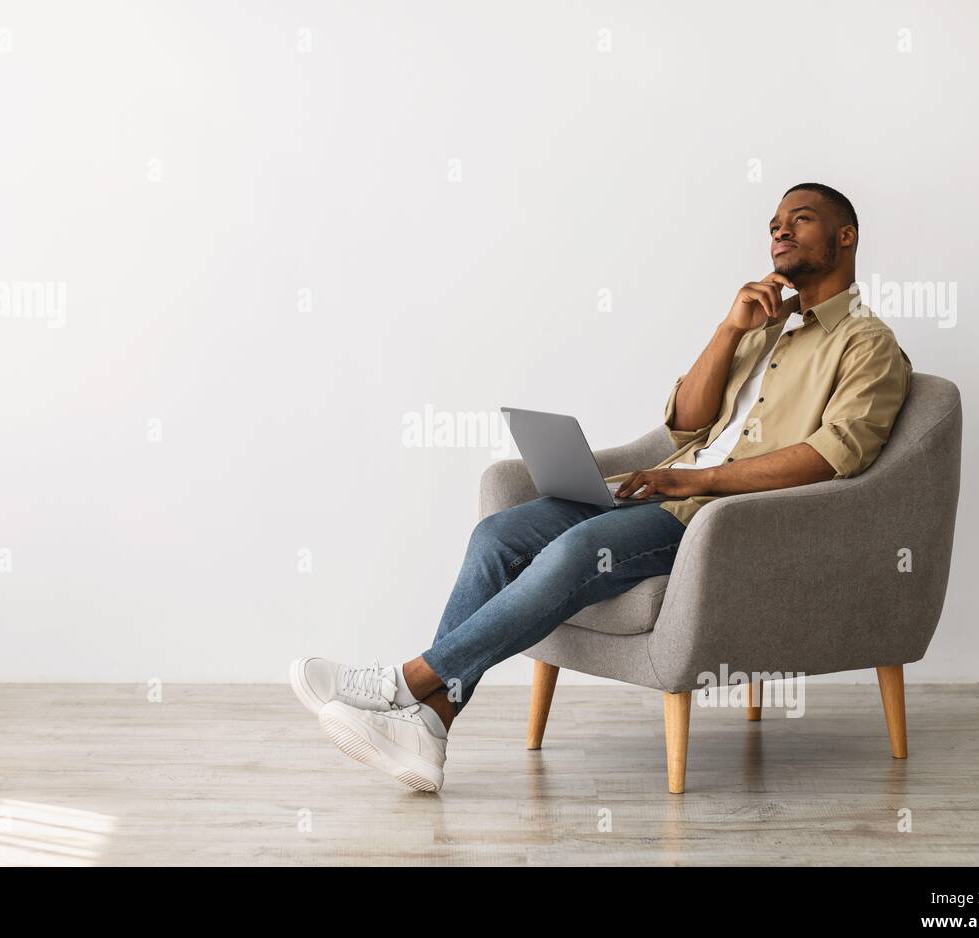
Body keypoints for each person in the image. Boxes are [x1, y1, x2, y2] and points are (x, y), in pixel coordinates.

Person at [291, 183, 912, 792]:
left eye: (799, 220)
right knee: (499, 534)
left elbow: (834, 456)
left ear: (846, 237)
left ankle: (406, 683)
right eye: (774, 222)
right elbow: (686, 421)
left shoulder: (868, 343)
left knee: (576, 550)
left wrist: (696, 480)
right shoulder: (765, 326)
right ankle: (431, 726)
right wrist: (728, 330)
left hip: (724, 519)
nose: (779, 231)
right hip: (668, 488)